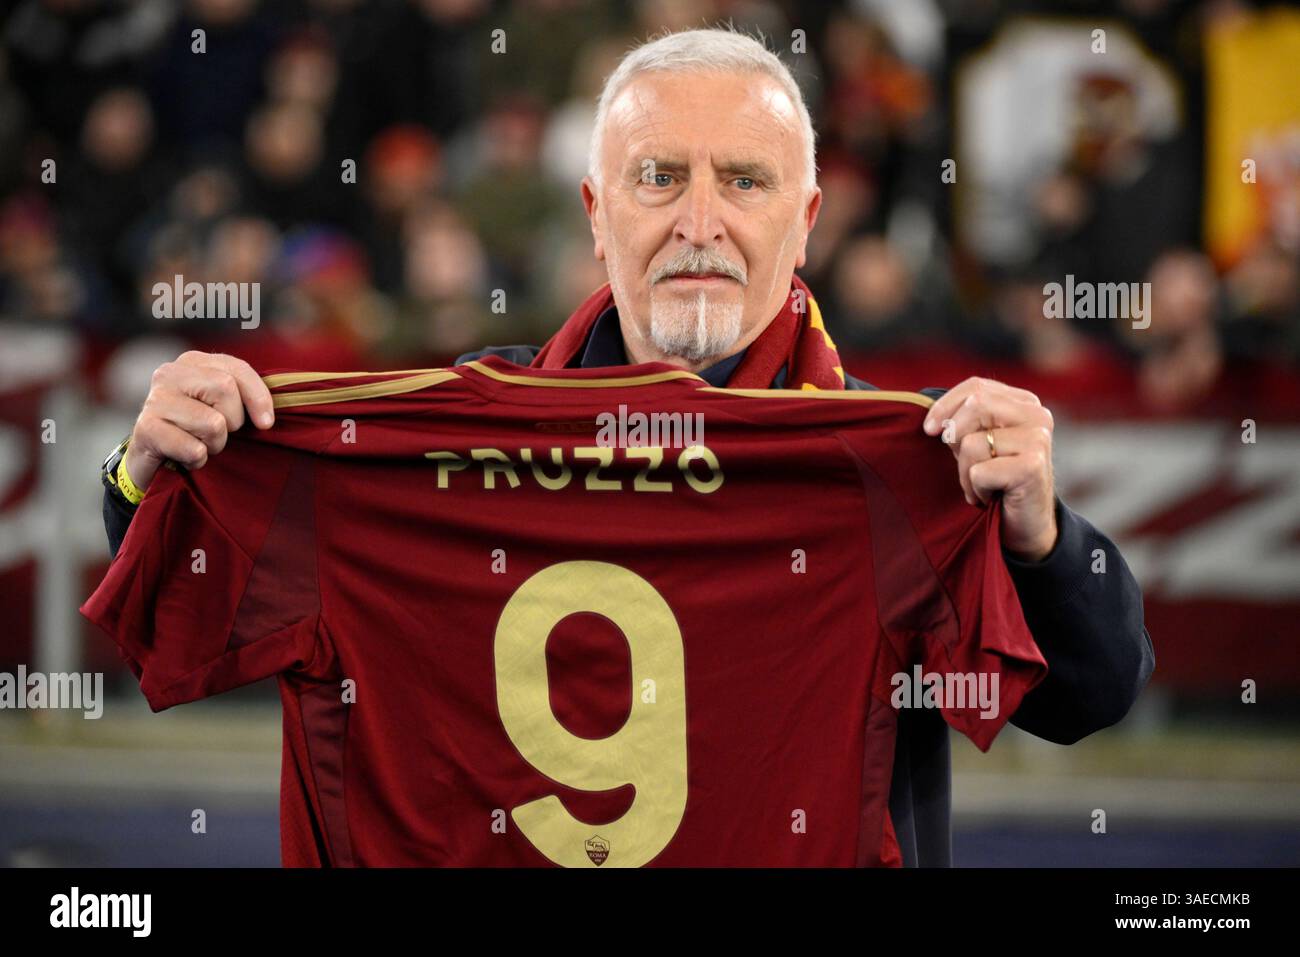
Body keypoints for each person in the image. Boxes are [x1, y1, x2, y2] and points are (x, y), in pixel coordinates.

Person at [97, 28, 1153, 867]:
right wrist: (149, 473)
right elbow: (185, 591)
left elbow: (1092, 695)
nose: (699, 219)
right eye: (658, 177)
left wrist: (1041, 541)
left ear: (808, 220)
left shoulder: (909, 456)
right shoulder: (442, 433)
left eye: (744, 181)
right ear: (598, 217)